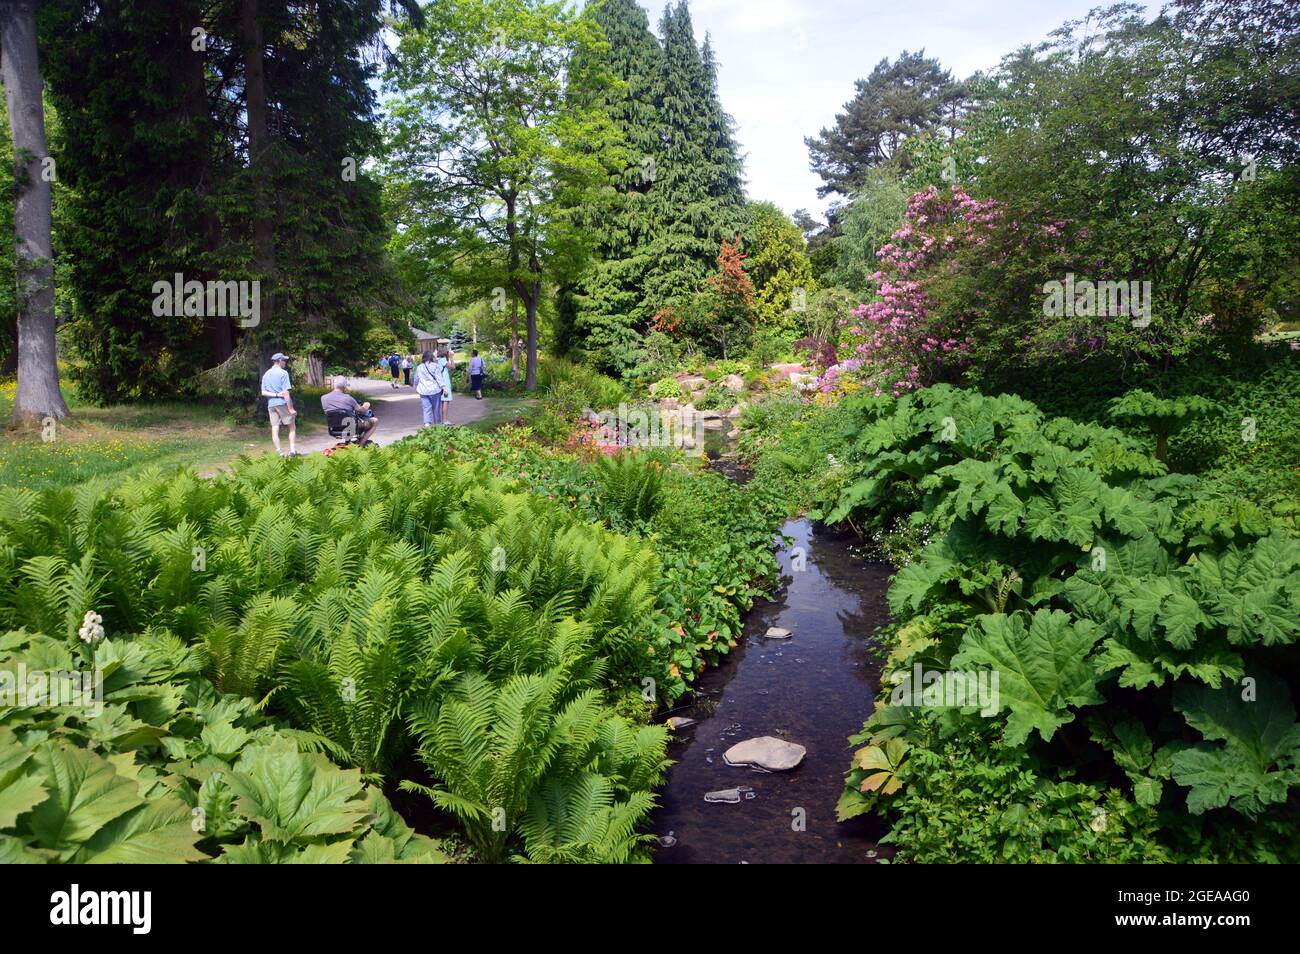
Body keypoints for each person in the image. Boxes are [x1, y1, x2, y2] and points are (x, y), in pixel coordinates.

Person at [321, 376, 379, 447]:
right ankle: (360, 445)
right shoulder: (348, 398)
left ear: (334, 385)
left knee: (347, 421)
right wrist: (366, 405)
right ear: (344, 386)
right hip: (352, 427)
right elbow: (361, 409)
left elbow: (327, 413)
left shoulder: (324, 398)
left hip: (334, 427)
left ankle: (348, 443)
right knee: (375, 421)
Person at [260, 352, 299, 457]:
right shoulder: (283, 373)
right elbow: (286, 392)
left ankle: (279, 452)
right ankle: (292, 451)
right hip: (282, 403)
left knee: (275, 428)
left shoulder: (266, 374)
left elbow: (263, 392)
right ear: (279, 361)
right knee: (291, 426)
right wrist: (290, 408)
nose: (285, 362)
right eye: (284, 360)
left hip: (271, 405)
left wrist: (275, 395)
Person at [414, 350, 443, 426]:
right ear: (431, 357)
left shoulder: (419, 367)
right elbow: (439, 378)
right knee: (436, 409)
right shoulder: (435, 366)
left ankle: (427, 424)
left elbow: (416, 379)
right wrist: (444, 387)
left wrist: (415, 387)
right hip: (435, 390)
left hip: (423, 390)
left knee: (426, 408)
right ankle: (437, 425)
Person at [438, 351, 454, 425]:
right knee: (445, 401)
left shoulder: (438, 360)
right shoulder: (443, 360)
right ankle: (444, 420)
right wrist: (452, 358)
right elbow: (453, 367)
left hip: (441, 383)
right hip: (445, 383)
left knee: (442, 402)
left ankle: (442, 420)